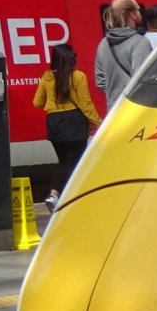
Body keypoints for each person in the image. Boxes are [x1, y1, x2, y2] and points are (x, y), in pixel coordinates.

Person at [32, 43, 99, 209]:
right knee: (76, 163)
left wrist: (53, 105)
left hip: (54, 123)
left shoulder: (47, 77)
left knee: (62, 161)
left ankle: (54, 195)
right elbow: (86, 104)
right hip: (74, 122)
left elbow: (37, 102)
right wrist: (97, 121)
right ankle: (71, 200)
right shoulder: (78, 77)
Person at [94, 0, 149, 109]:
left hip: (114, 111)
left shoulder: (103, 44)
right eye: (138, 9)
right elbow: (142, 80)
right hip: (136, 109)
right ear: (132, 14)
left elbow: (100, 81)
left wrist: (116, 94)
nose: (140, 12)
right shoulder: (140, 42)